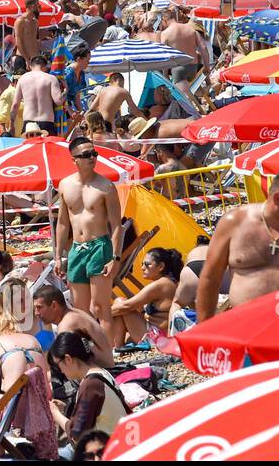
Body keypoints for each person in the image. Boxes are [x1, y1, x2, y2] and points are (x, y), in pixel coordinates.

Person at [196, 170, 279, 320]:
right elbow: (210, 277)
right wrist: (203, 325)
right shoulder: (234, 222)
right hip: (244, 325)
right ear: (277, 198)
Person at [55, 135, 123, 329]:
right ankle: (87, 356)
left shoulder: (106, 187)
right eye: (86, 155)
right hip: (77, 248)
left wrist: (115, 258)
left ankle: (107, 357)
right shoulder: (65, 185)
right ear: (74, 159)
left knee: (101, 308)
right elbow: (62, 223)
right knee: (80, 311)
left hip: (99, 246)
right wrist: (59, 256)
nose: (92, 157)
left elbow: (117, 225)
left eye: (94, 153)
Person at [48, 333, 127, 457]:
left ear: (68, 359)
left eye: (58, 365)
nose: (61, 371)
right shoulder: (101, 373)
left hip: (107, 452)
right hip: (121, 443)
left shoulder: (90, 385)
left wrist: (55, 414)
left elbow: (77, 436)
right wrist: (66, 408)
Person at [110, 247, 182, 343]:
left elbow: (127, 306)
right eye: (142, 264)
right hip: (159, 334)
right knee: (124, 331)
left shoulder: (160, 285)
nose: (142, 268)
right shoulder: (168, 281)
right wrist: (117, 282)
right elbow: (138, 305)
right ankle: (117, 347)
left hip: (157, 339)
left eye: (147, 264)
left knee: (120, 303)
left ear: (161, 266)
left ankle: (116, 349)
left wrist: (97, 316)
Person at [32, 285, 114, 368]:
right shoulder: (75, 313)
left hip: (102, 373)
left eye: (39, 307)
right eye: (35, 308)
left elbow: (68, 365)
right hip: (106, 368)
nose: (36, 313)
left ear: (54, 305)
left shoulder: (66, 325)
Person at [13, 55, 63, 135]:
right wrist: (65, 91)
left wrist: (12, 123)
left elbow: (15, 104)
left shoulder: (22, 79)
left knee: (30, 147)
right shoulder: (51, 78)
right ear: (45, 67)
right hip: (47, 122)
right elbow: (59, 101)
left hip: (28, 123)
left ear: (29, 66)